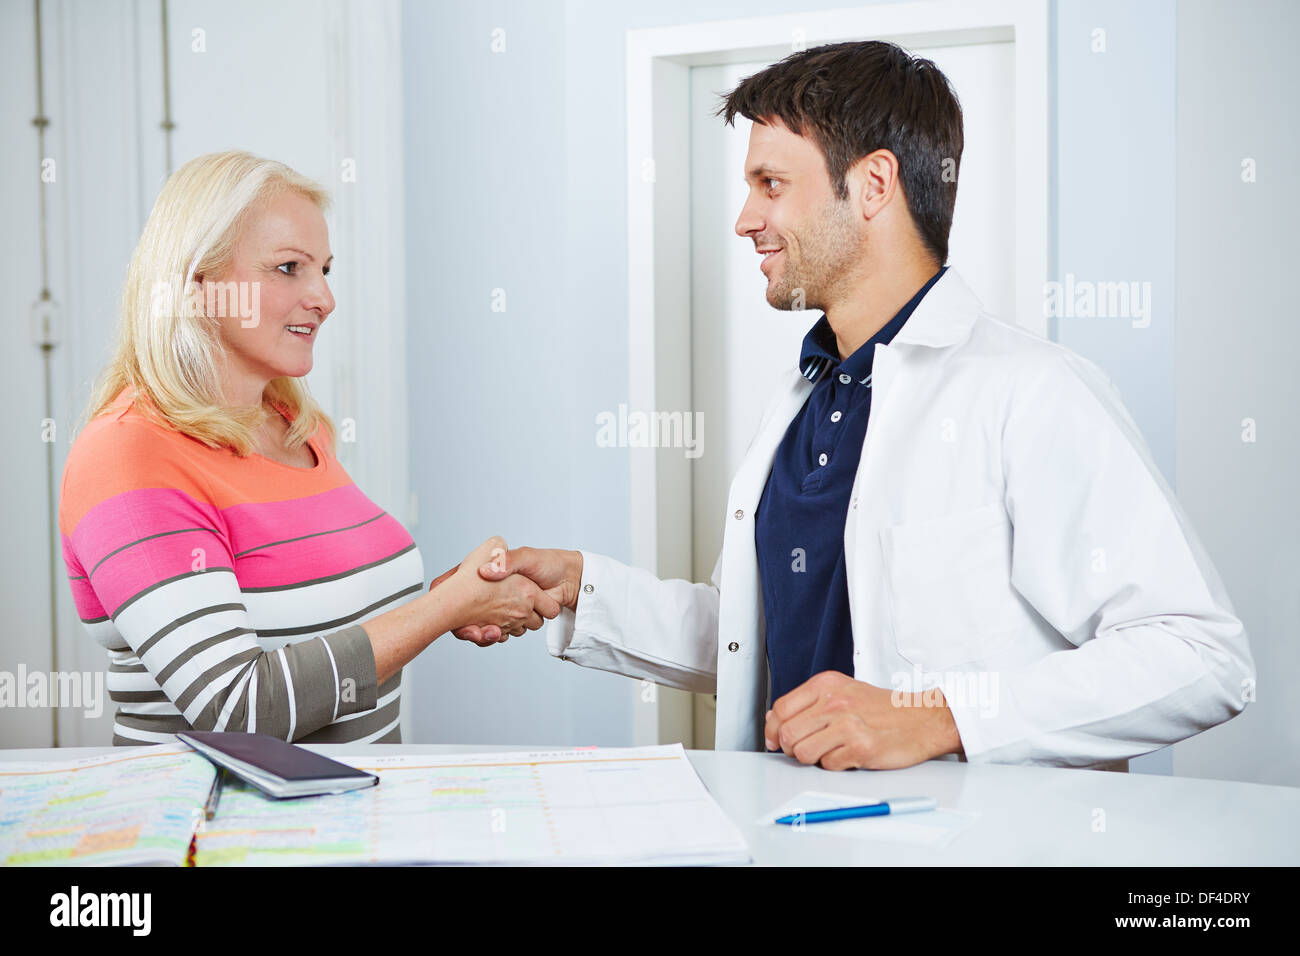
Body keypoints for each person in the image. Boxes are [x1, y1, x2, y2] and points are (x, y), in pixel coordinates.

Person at [449, 41, 1254, 771]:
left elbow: (1200, 654)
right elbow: (756, 635)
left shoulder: (1032, 392)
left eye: (771, 184)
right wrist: (583, 591)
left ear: (873, 185)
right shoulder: (805, 399)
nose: (745, 220)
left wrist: (936, 718)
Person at [59, 150, 560, 746]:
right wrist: (443, 610)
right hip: (220, 835)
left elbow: (331, 619)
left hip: (348, 825)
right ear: (197, 285)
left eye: (324, 269)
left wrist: (466, 599)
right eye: (289, 268)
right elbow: (239, 710)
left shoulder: (293, 423)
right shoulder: (128, 455)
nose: (323, 298)